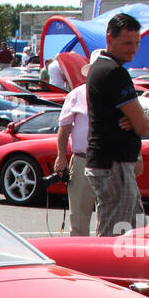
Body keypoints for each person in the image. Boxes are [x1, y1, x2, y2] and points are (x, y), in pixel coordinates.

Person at [85, 13, 149, 236]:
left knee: (138, 232)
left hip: (114, 163)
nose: (133, 49)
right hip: (113, 165)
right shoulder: (113, 72)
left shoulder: (101, 68)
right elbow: (143, 126)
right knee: (114, 236)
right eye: (127, 43)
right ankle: (101, 271)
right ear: (109, 40)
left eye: (137, 43)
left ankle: (138, 271)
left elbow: (139, 123)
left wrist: (137, 120)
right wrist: (138, 120)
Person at [54, 50, 101, 236]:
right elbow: (64, 129)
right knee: (79, 220)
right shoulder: (76, 95)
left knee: (108, 220)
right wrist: (61, 158)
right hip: (82, 160)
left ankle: (102, 261)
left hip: (109, 161)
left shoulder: (116, 95)